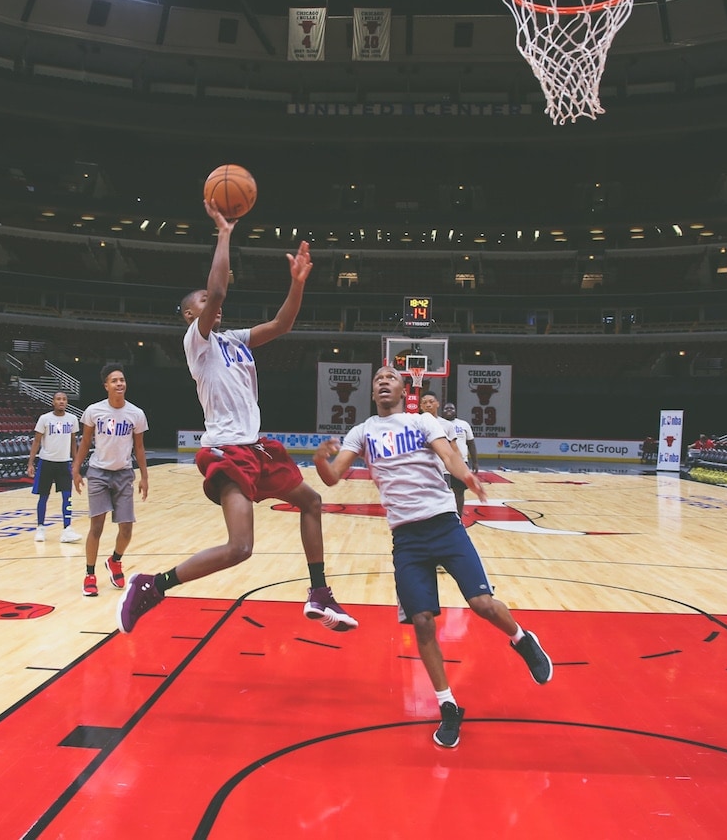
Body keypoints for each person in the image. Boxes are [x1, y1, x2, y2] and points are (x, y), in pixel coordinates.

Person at [116, 199, 356, 635]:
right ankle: (153, 585)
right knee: (241, 547)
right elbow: (220, 290)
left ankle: (319, 593)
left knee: (312, 502)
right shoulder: (197, 341)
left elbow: (282, 324)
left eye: (212, 300)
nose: (214, 303)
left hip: (257, 446)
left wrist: (298, 283)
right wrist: (225, 234)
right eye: (204, 301)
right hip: (226, 449)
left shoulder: (237, 340)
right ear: (192, 314)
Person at [313, 365, 552, 749]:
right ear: (372, 392)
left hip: (444, 525)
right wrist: (320, 458)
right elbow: (331, 478)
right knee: (422, 623)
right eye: (377, 379)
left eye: (389, 377)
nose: (382, 382)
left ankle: (522, 639)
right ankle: (448, 706)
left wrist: (469, 477)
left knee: (482, 603)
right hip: (406, 538)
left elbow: (449, 456)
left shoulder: (422, 421)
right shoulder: (362, 432)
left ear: (403, 386)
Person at [71, 363, 149, 598]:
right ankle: (90, 574)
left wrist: (145, 476)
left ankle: (115, 560)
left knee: (126, 528)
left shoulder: (136, 414)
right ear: (106, 385)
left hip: (124, 473)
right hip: (98, 473)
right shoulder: (94, 411)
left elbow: (139, 447)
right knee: (97, 527)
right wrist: (76, 470)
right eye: (114, 380)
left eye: (122, 380)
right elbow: (84, 443)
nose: (119, 384)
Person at [26, 390, 81, 543]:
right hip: (46, 462)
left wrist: (76, 463)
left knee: (67, 497)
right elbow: (36, 441)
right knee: (43, 496)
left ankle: (67, 529)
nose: (61, 401)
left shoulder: (72, 419)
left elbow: (73, 442)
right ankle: (40, 528)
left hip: (64, 462)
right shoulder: (44, 419)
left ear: (67, 402)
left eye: (64, 399)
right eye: (58, 399)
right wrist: (31, 462)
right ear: (53, 402)